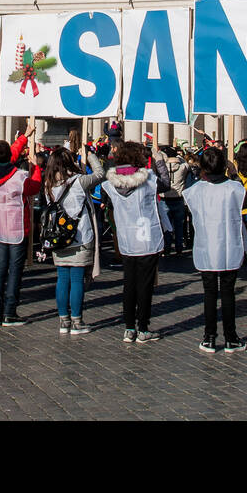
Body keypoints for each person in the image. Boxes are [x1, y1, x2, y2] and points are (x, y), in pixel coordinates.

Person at [90, 139, 165, 342]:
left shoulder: (110, 184)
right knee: (145, 286)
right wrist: (158, 162)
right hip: (147, 239)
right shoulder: (148, 178)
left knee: (129, 284)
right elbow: (165, 185)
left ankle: (129, 327)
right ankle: (143, 327)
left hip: (126, 239)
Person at [183, 145, 247, 352]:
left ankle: (209, 337)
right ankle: (231, 337)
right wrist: (234, 175)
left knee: (209, 293)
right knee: (228, 293)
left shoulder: (194, 191)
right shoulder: (235, 188)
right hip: (229, 246)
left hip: (206, 247)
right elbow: (245, 204)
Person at [0, 125, 39, 325]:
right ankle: (9, 312)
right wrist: (36, 168)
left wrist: (24, 136)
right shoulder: (19, 177)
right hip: (16, 228)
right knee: (15, 271)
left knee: (0, 269)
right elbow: (35, 187)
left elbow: (8, 157)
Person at [42, 146, 97, 334]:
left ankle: (63, 320)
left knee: (62, 278)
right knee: (76, 279)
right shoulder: (80, 181)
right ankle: (77, 321)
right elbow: (101, 174)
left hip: (58, 237)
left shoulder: (48, 184)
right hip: (80, 236)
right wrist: (90, 156)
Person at [158, 145, 191, 257]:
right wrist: (178, 157)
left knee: (166, 226)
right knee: (179, 226)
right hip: (178, 199)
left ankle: (166, 248)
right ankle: (179, 247)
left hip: (165, 199)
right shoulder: (182, 167)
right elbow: (186, 163)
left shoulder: (162, 167)